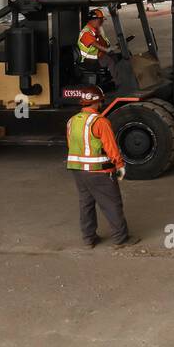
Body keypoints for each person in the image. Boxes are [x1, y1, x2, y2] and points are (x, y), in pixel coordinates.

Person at [65, 86, 137, 248]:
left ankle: (88, 239)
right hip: (99, 171)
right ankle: (120, 239)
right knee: (112, 204)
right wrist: (120, 165)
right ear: (97, 102)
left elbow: (72, 145)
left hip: (78, 171)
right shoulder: (100, 122)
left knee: (86, 204)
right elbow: (111, 147)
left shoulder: (72, 121)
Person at [76, 9, 117, 74]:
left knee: (116, 56)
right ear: (93, 20)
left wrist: (113, 47)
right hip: (89, 61)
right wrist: (107, 50)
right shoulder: (86, 33)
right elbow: (95, 44)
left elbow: (104, 43)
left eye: (102, 21)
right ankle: (119, 83)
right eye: (100, 21)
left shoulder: (96, 31)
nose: (102, 23)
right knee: (110, 61)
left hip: (99, 56)